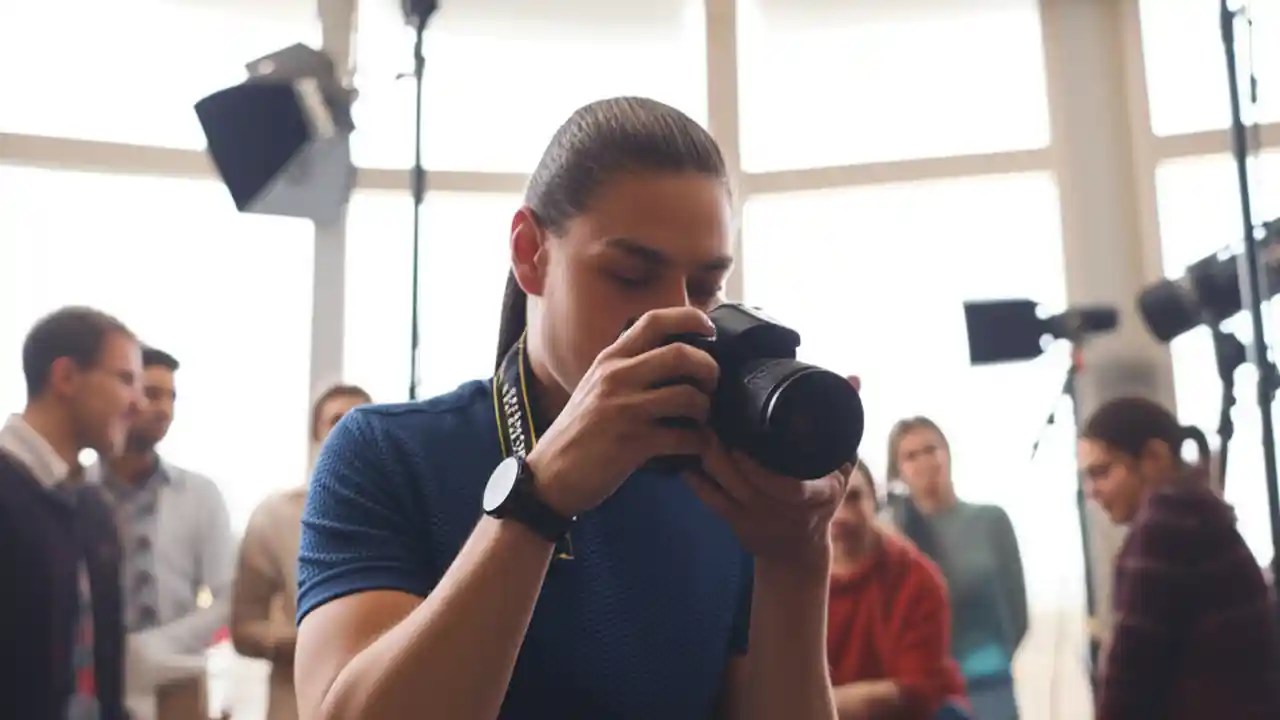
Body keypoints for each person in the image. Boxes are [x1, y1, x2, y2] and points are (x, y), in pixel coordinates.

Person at [293, 96, 851, 720]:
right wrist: (540, 496)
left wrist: (797, 560)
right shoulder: (389, 454)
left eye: (706, 287)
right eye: (631, 275)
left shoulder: (726, 479)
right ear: (531, 251)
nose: (680, 316)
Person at [1079, 396, 1280, 719]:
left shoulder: (1165, 523)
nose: (1092, 490)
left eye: (1102, 472)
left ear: (1154, 457)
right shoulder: (1199, 515)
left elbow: (1131, 674)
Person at [0, 306, 142, 720]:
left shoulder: (93, 509)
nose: (138, 401)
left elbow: (103, 670)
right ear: (65, 377)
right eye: (124, 379)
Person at [86, 346, 235, 689]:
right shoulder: (78, 493)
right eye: (152, 394)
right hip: (86, 683)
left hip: (173, 683)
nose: (164, 410)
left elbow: (229, 601)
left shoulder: (200, 495)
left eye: (171, 398)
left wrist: (153, 646)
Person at [231, 383, 371, 720]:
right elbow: (244, 627)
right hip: (296, 706)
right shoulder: (275, 516)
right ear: (316, 435)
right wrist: (309, 641)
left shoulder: (405, 517)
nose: (349, 429)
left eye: (362, 419)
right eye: (336, 420)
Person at [885, 416, 1026, 720]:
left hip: (990, 681)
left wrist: (995, 657)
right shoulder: (893, 539)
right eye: (911, 456)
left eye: (931, 449)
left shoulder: (990, 521)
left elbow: (1017, 607)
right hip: (924, 693)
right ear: (898, 471)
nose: (925, 462)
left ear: (947, 453)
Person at [828, 460, 968, 719]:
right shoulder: (789, 579)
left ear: (875, 501)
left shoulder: (918, 578)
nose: (841, 514)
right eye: (830, 500)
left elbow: (917, 691)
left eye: (854, 498)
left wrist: (815, 703)